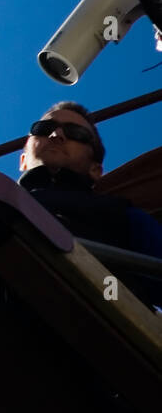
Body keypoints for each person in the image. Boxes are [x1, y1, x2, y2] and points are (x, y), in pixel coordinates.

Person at [18, 101, 162, 306]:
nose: (56, 135)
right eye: (44, 129)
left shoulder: (122, 215)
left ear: (96, 169)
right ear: (23, 160)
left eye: (75, 133)